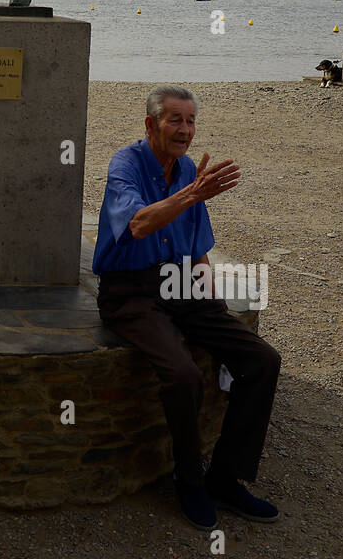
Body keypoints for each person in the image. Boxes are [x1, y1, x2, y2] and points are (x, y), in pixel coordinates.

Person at [93, 85, 281, 531]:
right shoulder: (126, 164)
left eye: (191, 120)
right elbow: (138, 224)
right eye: (175, 119)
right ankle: (188, 476)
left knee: (261, 359)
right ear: (151, 124)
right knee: (181, 374)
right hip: (130, 290)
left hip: (180, 281)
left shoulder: (188, 171)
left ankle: (224, 477)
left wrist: (209, 299)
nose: (185, 129)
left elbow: (197, 247)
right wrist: (191, 195)